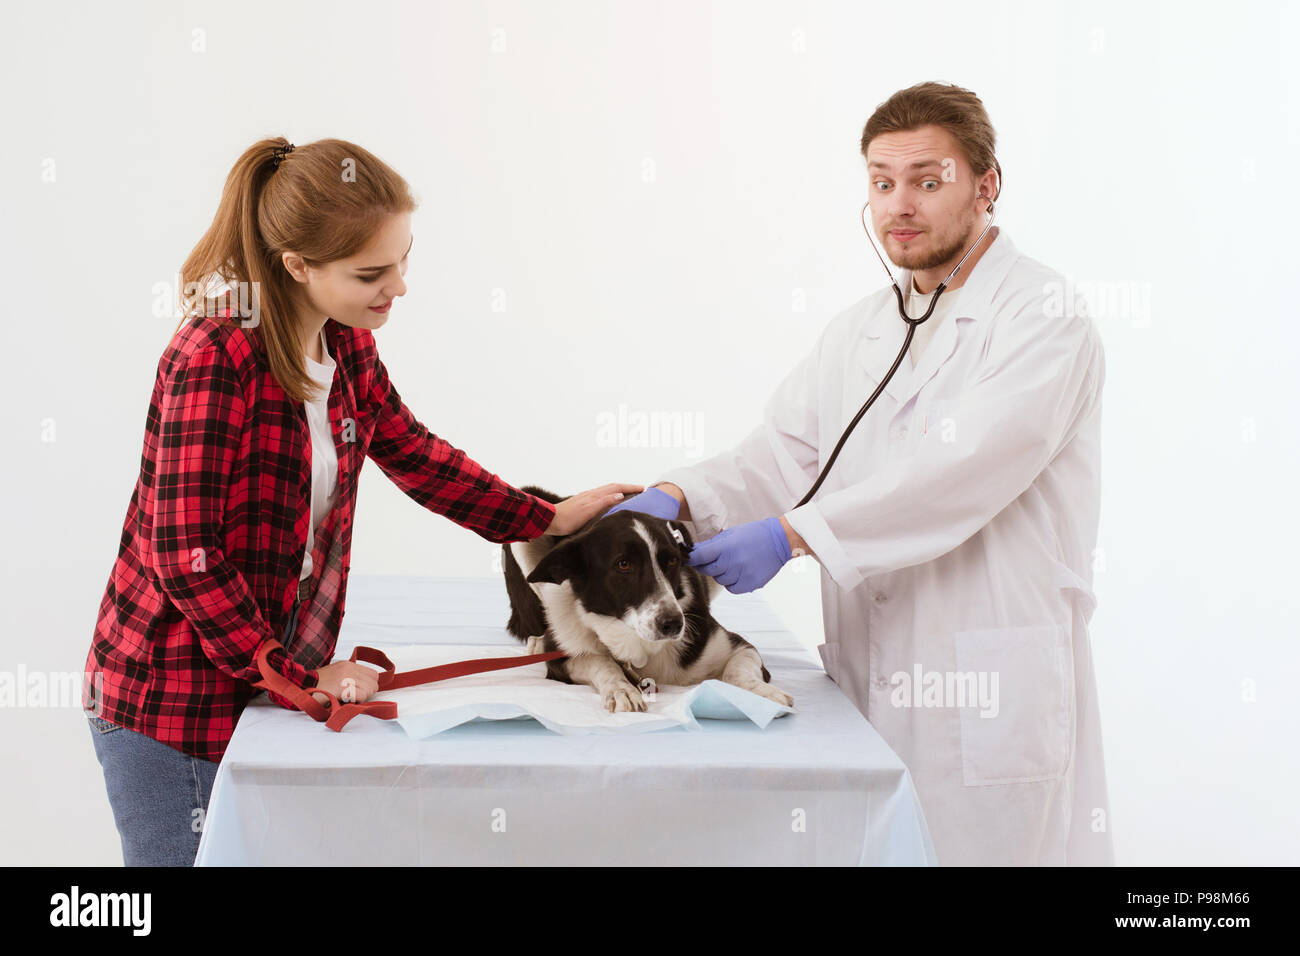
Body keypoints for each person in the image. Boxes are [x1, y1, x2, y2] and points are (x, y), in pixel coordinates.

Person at [80, 137, 639, 866]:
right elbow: (183, 557)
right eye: (372, 272)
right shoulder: (214, 358)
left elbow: (411, 451)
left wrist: (542, 519)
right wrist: (293, 671)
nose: (398, 286)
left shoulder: (345, 344)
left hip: (262, 688)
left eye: (405, 260)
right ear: (298, 267)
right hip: (171, 703)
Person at [610, 82, 1113, 866]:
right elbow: (783, 453)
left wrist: (794, 534)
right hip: (872, 677)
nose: (899, 205)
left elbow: (965, 469)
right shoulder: (863, 330)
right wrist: (679, 498)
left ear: (987, 185)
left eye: (927, 179)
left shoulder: (1043, 315)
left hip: (987, 680)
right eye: (882, 183)